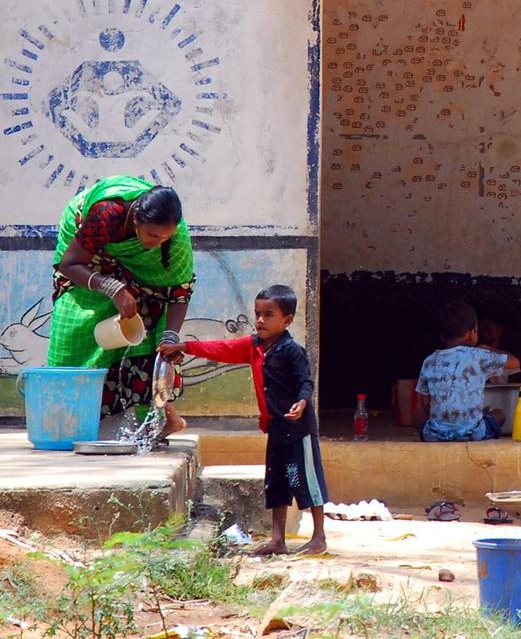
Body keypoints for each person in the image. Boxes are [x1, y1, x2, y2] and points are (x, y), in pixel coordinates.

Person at [158, 285, 327, 555]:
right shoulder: (254, 347)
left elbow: (305, 382)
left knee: (306, 482)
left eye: (268, 315)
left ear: (287, 320)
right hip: (275, 428)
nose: (260, 320)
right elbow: (221, 348)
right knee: (277, 484)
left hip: (298, 430)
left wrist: (303, 401)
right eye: (258, 314)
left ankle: (319, 537)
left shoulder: (292, 351)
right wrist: (185, 347)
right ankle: (277, 540)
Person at [47, 176, 195, 438]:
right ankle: (70, 426)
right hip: (85, 256)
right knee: (75, 330)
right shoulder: (107, 214)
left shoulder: (176, 236)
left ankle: (159, 420)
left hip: (142, 279)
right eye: (152, 235)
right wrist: (111, 287)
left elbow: (178, 290)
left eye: (164, 238)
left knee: (152, 331)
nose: (157, 243)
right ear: (136, 219)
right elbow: (69, 264)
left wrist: (170, 337)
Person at [415, 300, 520, 441]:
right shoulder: (479, 356)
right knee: (498, 414)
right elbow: (515, 363)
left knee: (417, 415)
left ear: (442, 336)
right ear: (472, 333)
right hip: (473, 434)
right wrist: (489, 349)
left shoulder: (429, 361)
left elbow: (424, 404)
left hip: (435, 435)